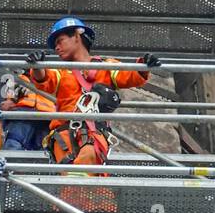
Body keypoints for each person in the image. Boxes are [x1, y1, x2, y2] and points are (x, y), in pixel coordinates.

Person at [24, 17, 157, 171]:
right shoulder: (60, 71)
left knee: (88, 171)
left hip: (95, 131)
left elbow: (129, 76)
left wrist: (144, 65)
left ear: (76, 35)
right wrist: (37, 65)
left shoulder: (106, 66)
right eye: (55, 45)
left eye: (60, 41)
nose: (57, 48)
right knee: (72, 181)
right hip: (64, 134)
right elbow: (44, 78)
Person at [0, 71, 51, 155]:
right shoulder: (17, 79)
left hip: (46, 119)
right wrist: (15, 98)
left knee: (45, 153)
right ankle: (11, 166)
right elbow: (4, 106)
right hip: (21, 117)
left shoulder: (53, 79)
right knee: (13, 146)